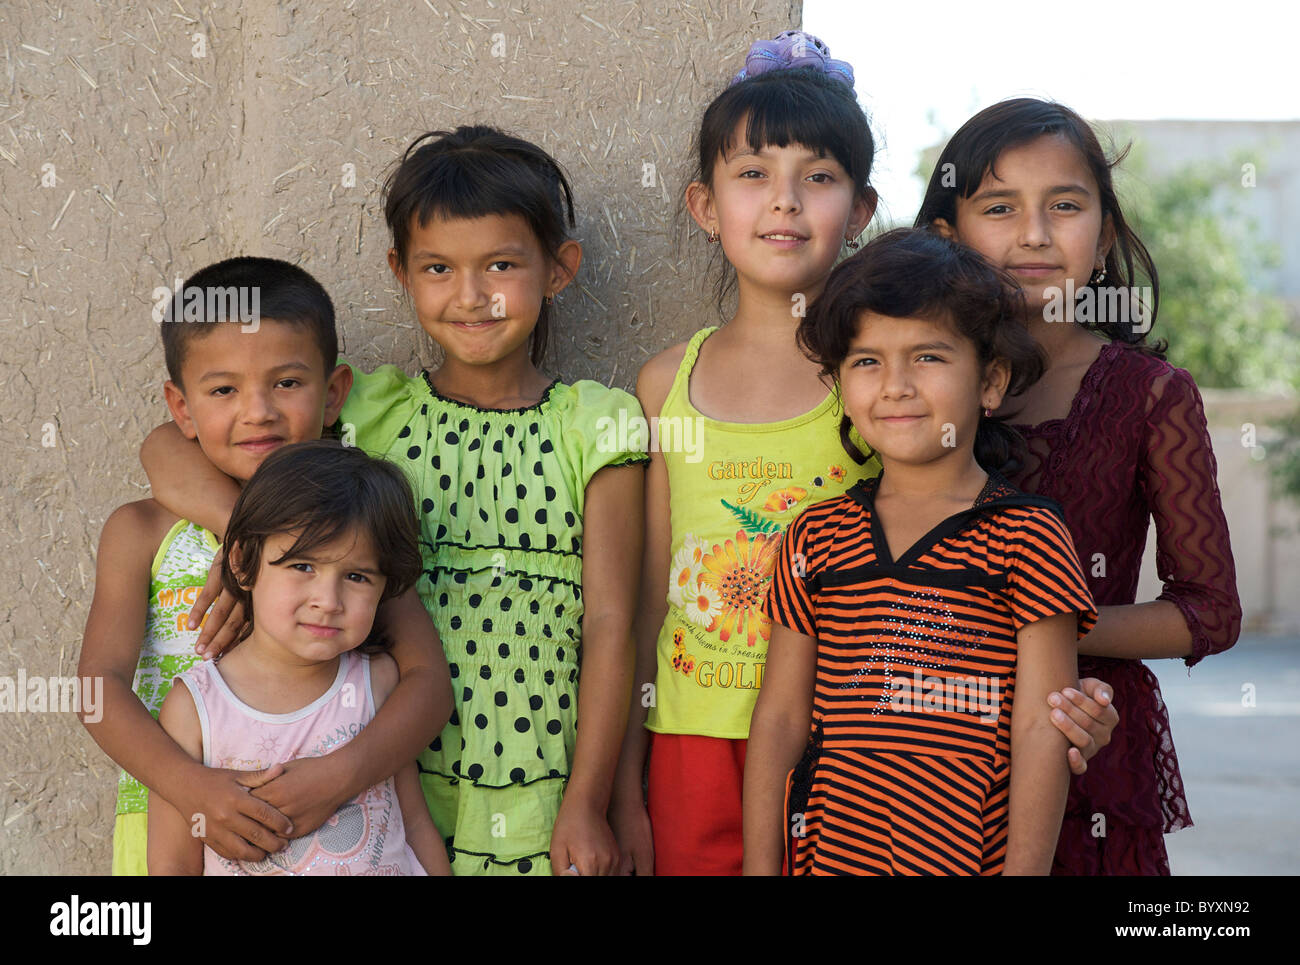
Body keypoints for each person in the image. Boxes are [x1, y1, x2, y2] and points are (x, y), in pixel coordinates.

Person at [610, 31, 1120, 877]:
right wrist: (622, 786)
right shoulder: (667, 380)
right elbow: (647, 598)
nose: (784, 203)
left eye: (817, 177)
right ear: (705, 206)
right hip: (691, 731)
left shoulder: (877, 383)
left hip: (848, 748)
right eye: (753, 176)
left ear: (860, 208)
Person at [141, 128, 647, 875]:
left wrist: (593, 797)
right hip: (385, 779)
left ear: (558, 269)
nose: (470, 295)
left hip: (542, 781)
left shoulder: (597, 423)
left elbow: (612, 623)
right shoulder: (374, 413)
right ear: (401, 273)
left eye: (501, 265)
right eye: (439, 267)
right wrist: (236, 533)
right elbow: (165, 444)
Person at [917, 97, 1242, 874]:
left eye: (1065, 206)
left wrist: (1047, 628)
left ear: (1102, 235)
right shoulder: (906, 382)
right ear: (947, 235)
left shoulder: (1149, 394)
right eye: (999, 207)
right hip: (923, 740)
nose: (1034, 233)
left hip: (1084, 744)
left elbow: (1210, 609)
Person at [84, 257, 450, 874]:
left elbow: (428, 684)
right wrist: (189, 788)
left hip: (342, 822)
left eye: (286, 383)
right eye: (224, 390)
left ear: (334, 394)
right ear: (181, 406)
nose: (258, 412)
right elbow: (97, 690)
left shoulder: (351, 532)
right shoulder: (142, 530)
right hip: (171, 818)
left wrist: (341, 776)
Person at [747, 228, 1095, 875]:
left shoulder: (1030, 537)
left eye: (928, 357)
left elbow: (1041, 728)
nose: (896, 385)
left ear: (990, 381)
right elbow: (781, 719)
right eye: (867, 360)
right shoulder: (813, 538)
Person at [149, 441, 450, 875]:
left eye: (356, 576)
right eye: (302, 567)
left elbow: (415, 823)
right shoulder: (195, 710)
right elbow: (173, 864)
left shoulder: (379, 684)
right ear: (243, 564)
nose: (328, 601)